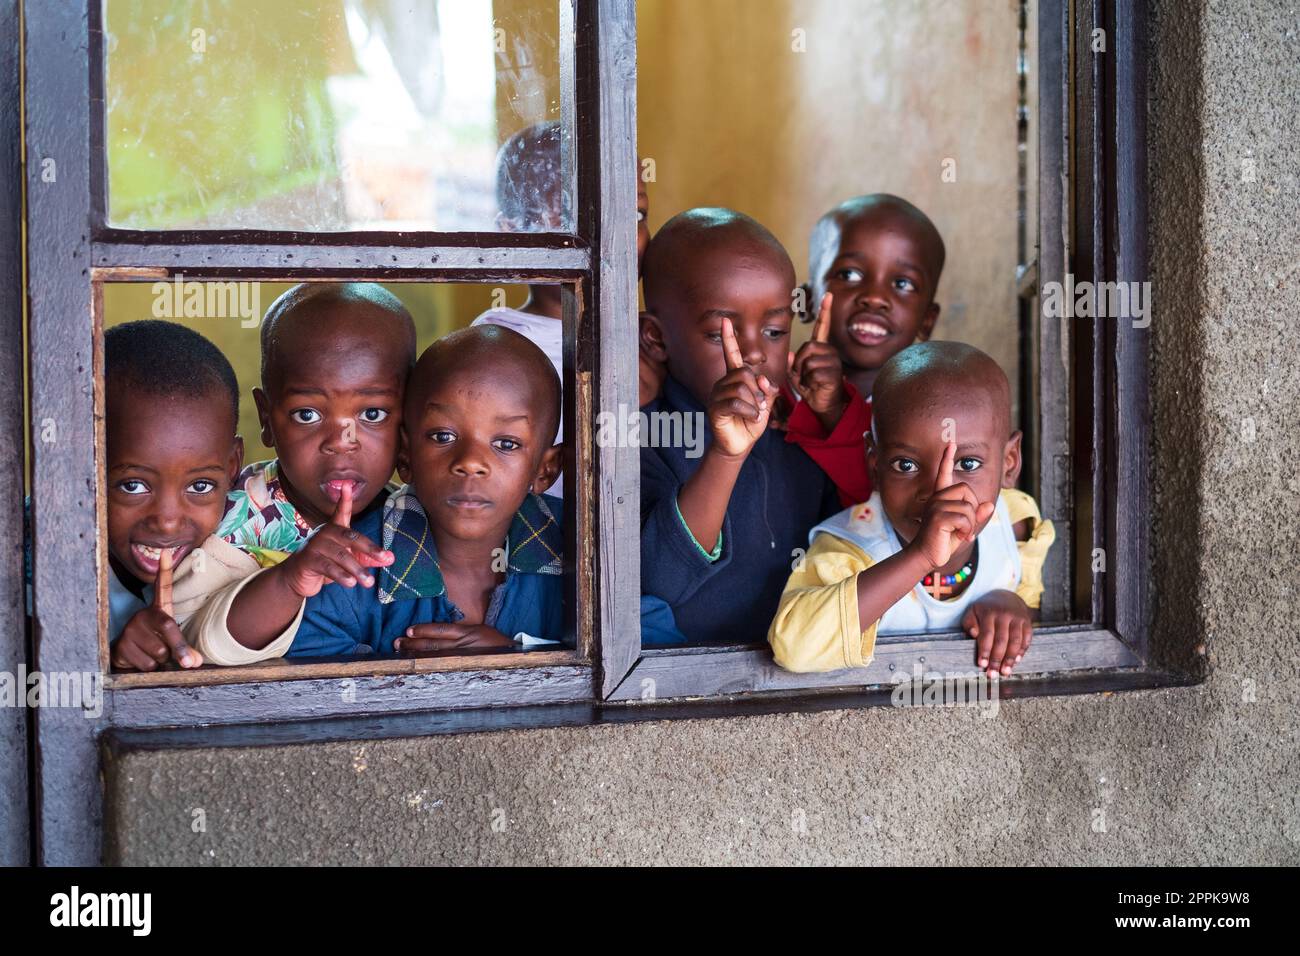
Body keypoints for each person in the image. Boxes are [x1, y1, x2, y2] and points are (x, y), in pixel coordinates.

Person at [769, 342, 1055, 678]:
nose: (938, 491)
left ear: (1010, 462)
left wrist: (1014, 605)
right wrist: (920, 556)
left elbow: (1031, 601)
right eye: (906, 464)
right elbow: (794, 648)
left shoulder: (1015, 522)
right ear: (873, 463)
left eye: (967, 462)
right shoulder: (851, 550)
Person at [638, 208, 839, 645]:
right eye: (719, 335)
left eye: (775, 329)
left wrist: (830, 415)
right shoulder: (647, 433)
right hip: (689, 687)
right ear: (655, 338)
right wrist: (726, 454)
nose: (752, 353)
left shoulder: (798, 431)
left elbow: (855, 536)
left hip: (795, 677)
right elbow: (655, 585)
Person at [785, 193, 946, 505]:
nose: (874, 297)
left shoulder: (927, 420)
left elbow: (888, 506)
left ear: (927, 320)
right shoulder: (770, 394)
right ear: (804, 302)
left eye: (902, 284)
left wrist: (833, 410)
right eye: (849, 275)